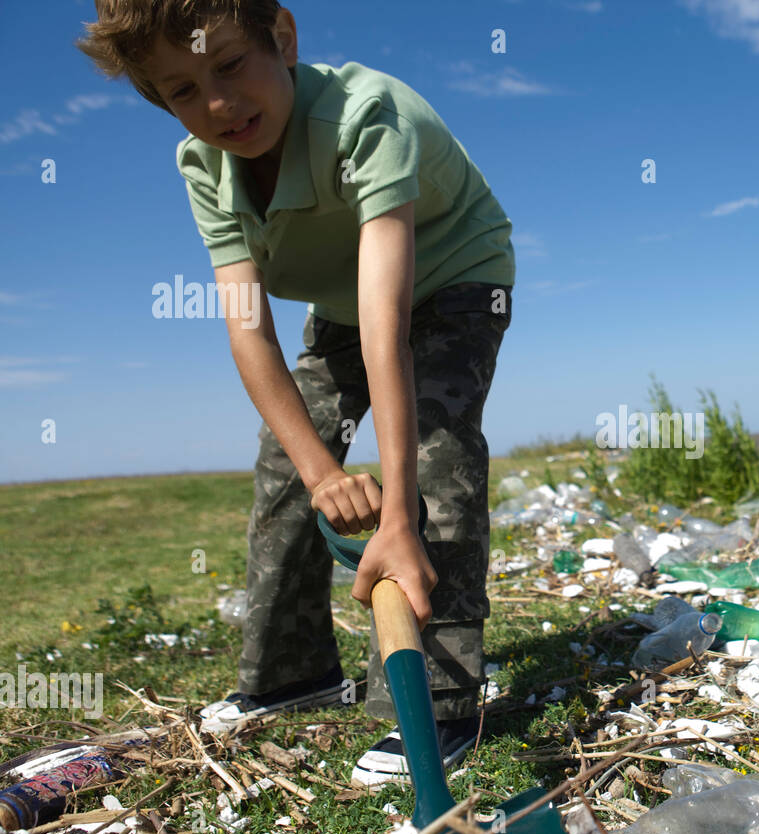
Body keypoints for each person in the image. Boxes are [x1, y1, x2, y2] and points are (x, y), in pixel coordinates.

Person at [75, 0, 514, 785]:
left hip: (453, 278)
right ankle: (290, 673)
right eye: (181, 90)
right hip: (345, 306)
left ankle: (441, 698)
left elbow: (389, 325)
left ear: (282, 37)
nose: (216, 104)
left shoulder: (363, 115)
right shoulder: (203, 168)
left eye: (231, 65)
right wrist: (321, 473)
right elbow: (249, 329)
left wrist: (398, 519)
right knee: (288, 463)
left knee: (434, 454)